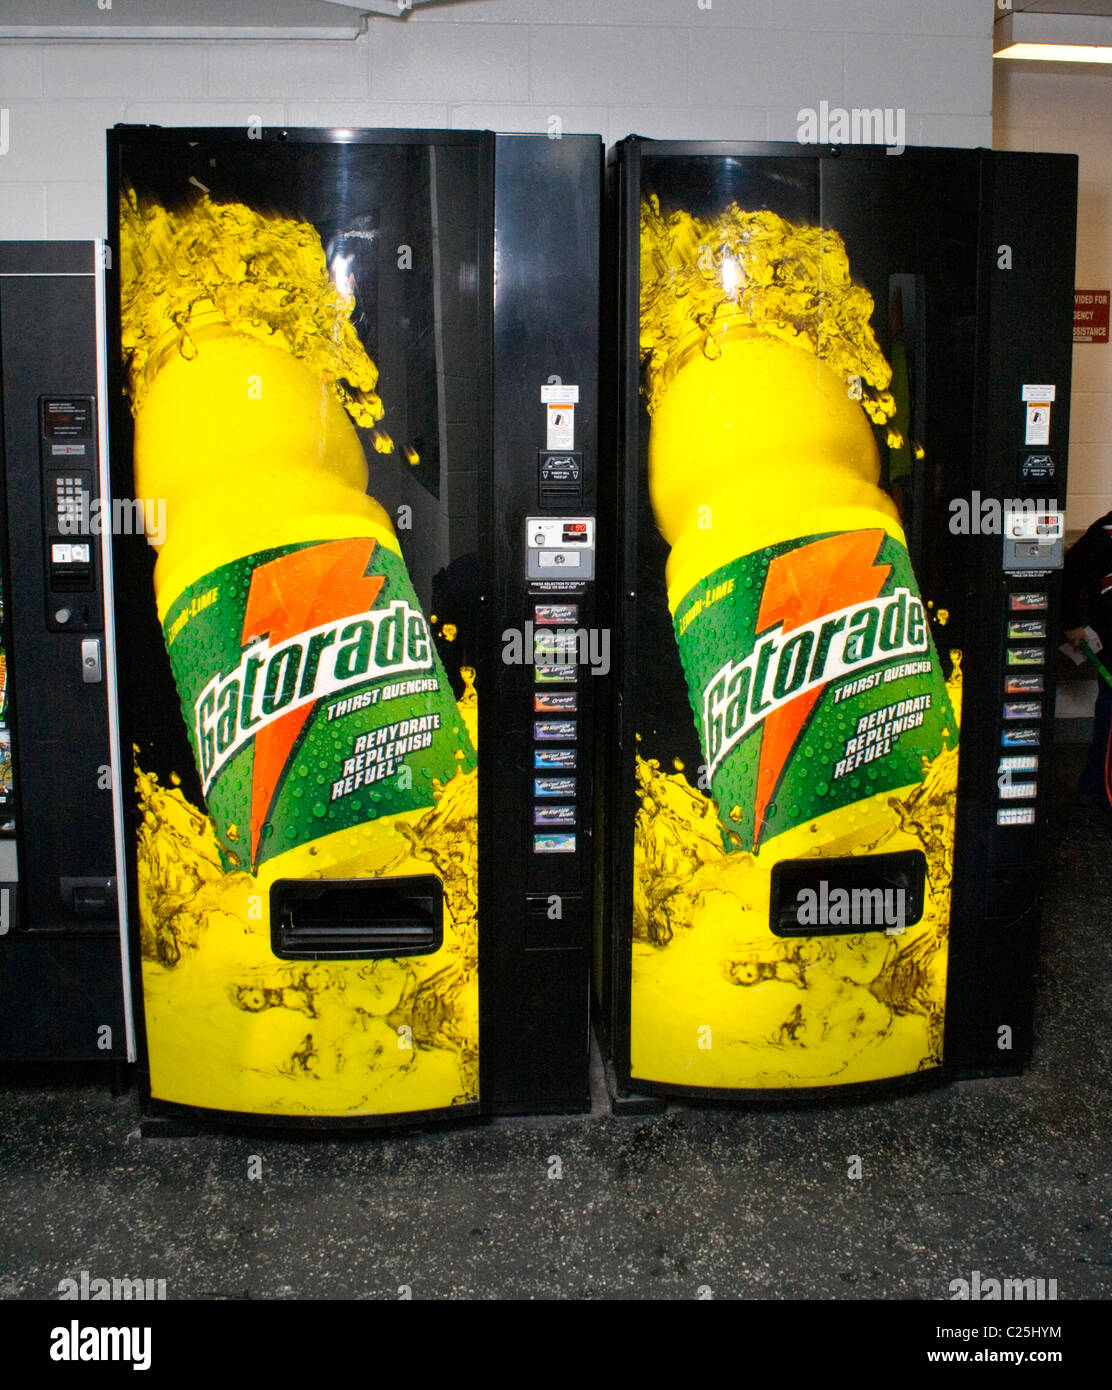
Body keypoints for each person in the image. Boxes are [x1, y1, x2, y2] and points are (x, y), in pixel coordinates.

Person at [1061, 508, 1112, 807]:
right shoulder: (1103, 533)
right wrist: (1071, 623)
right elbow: (1069, 571)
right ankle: (1096, 784)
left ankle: (1094, 781)